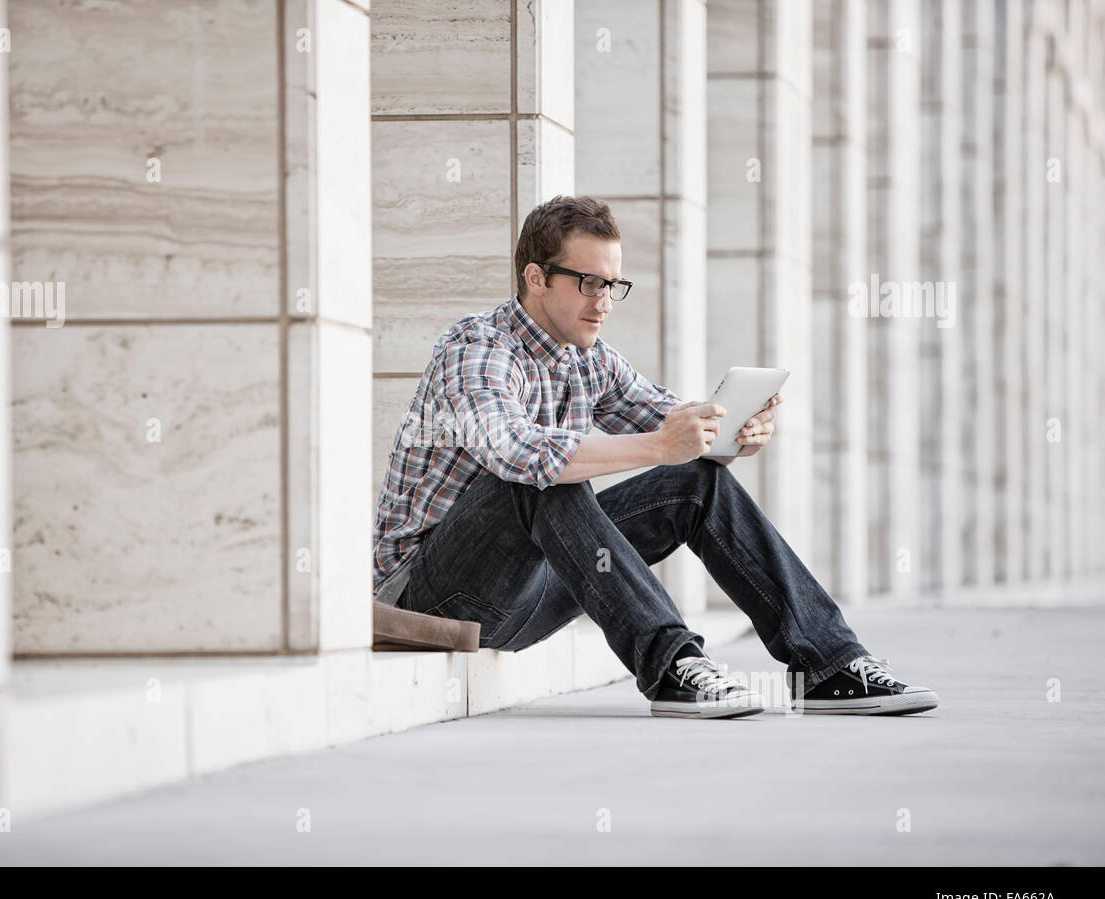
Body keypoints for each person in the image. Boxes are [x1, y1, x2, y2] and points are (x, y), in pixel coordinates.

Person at [371, 195, 938, 719]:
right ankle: (672, 667)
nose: (604, 303)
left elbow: (672, 423)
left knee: (694, 482)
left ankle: (828, 665)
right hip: (431, 600)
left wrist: (730, 433)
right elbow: (517, 452)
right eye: (590, 283)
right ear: (536, 278)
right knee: (543, 473)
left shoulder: (587, 359)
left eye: (614, 285)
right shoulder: (477, 348)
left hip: (531, 591)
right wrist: (657, 446)